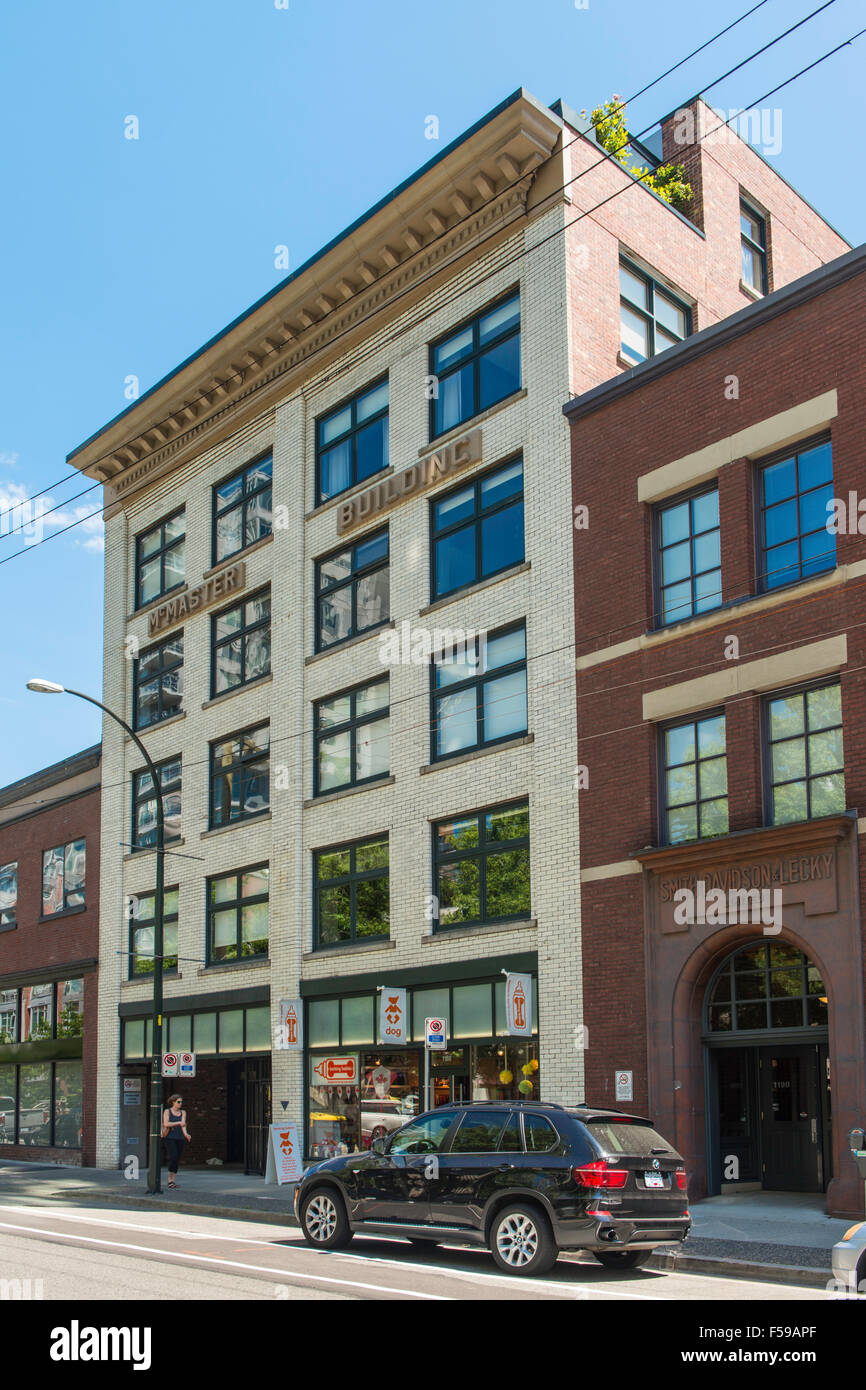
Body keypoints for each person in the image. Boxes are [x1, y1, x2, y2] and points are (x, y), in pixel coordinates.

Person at [162, 1094, 191, 1188]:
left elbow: (183, 1125)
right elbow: (166, 1123)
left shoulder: (183, 1112)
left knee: (177, 1158)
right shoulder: (167, 1111)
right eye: (178, 1102)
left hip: (180, 1137)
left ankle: (172, 1181)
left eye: (181, 1102)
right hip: (170, 1137)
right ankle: (170, 1179)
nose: (180, 1103)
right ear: (173, 1102)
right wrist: (178, 1122)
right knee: (173, 1156)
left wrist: (186, 1134)